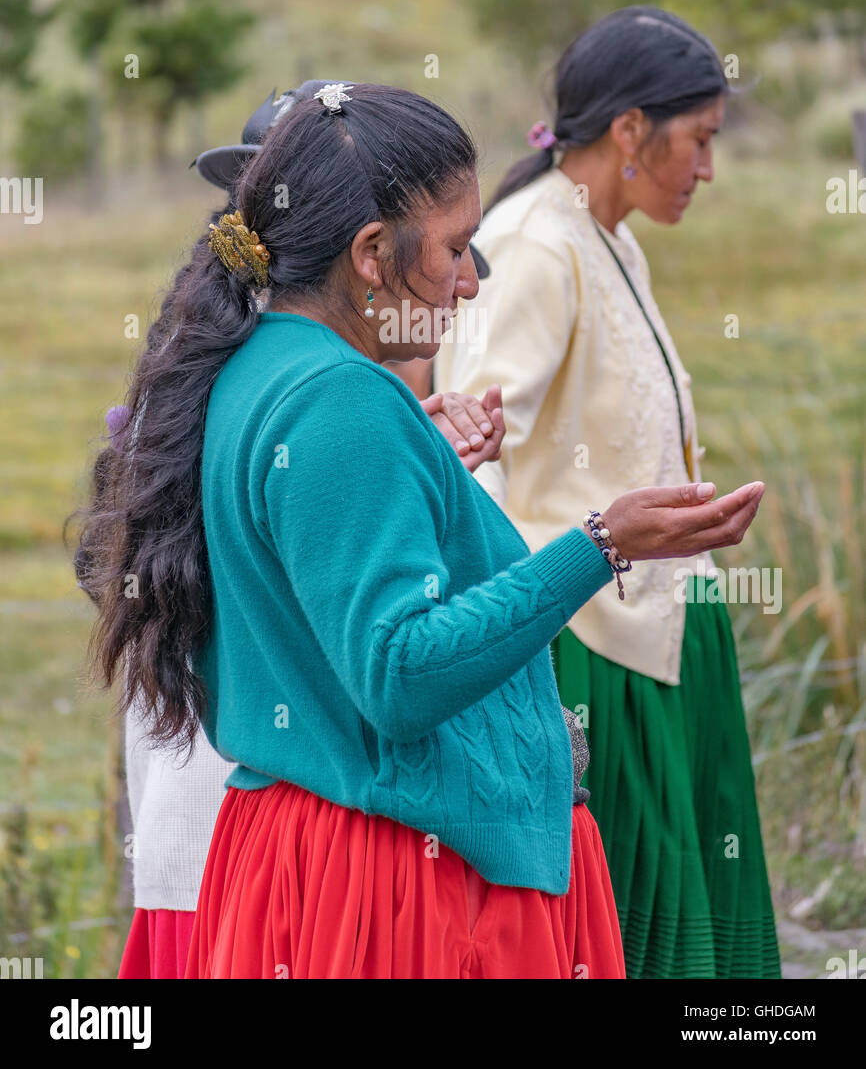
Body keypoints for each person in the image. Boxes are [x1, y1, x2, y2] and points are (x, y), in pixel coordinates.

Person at [78, 80, 764, 980]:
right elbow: (398, 673)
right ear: (371, 252)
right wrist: (601, 545)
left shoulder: (257, 367)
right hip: (401, 883)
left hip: (319, 844)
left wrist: (426, 475)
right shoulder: (342, 400)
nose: (473, 278)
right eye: (454, 247)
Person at [436, 6, 781, 979]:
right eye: (698, 140)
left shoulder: (606, 238)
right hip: (587, 649)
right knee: (626, 928)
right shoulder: (535, 246)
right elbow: (475, 449)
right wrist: (508, 633)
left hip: (658, 633)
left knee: (686, 924)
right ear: (630, 129)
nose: (706, 168)